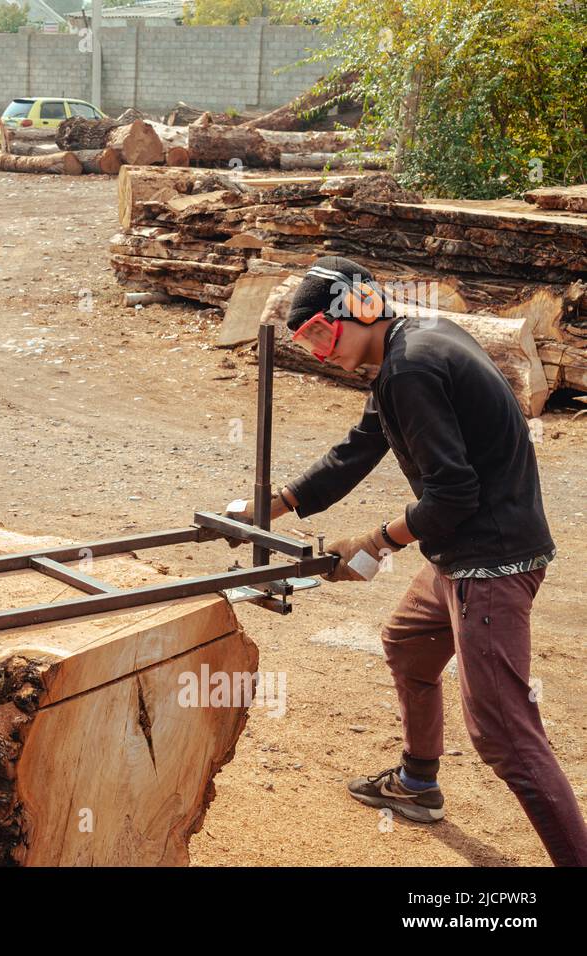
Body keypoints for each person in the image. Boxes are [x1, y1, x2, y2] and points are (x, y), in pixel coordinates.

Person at [237, 255, 586, 866]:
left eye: (322, 334)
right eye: (308, 343)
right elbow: (361, 447)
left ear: (361, 307)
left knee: (505, 737)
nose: (320, 354)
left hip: (492, 562)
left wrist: (376, 541)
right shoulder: (407, 350)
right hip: (465, 550)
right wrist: (278, 503)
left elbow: (452, 494)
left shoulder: (412, 368)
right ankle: (419, 785)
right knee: (407, 644)